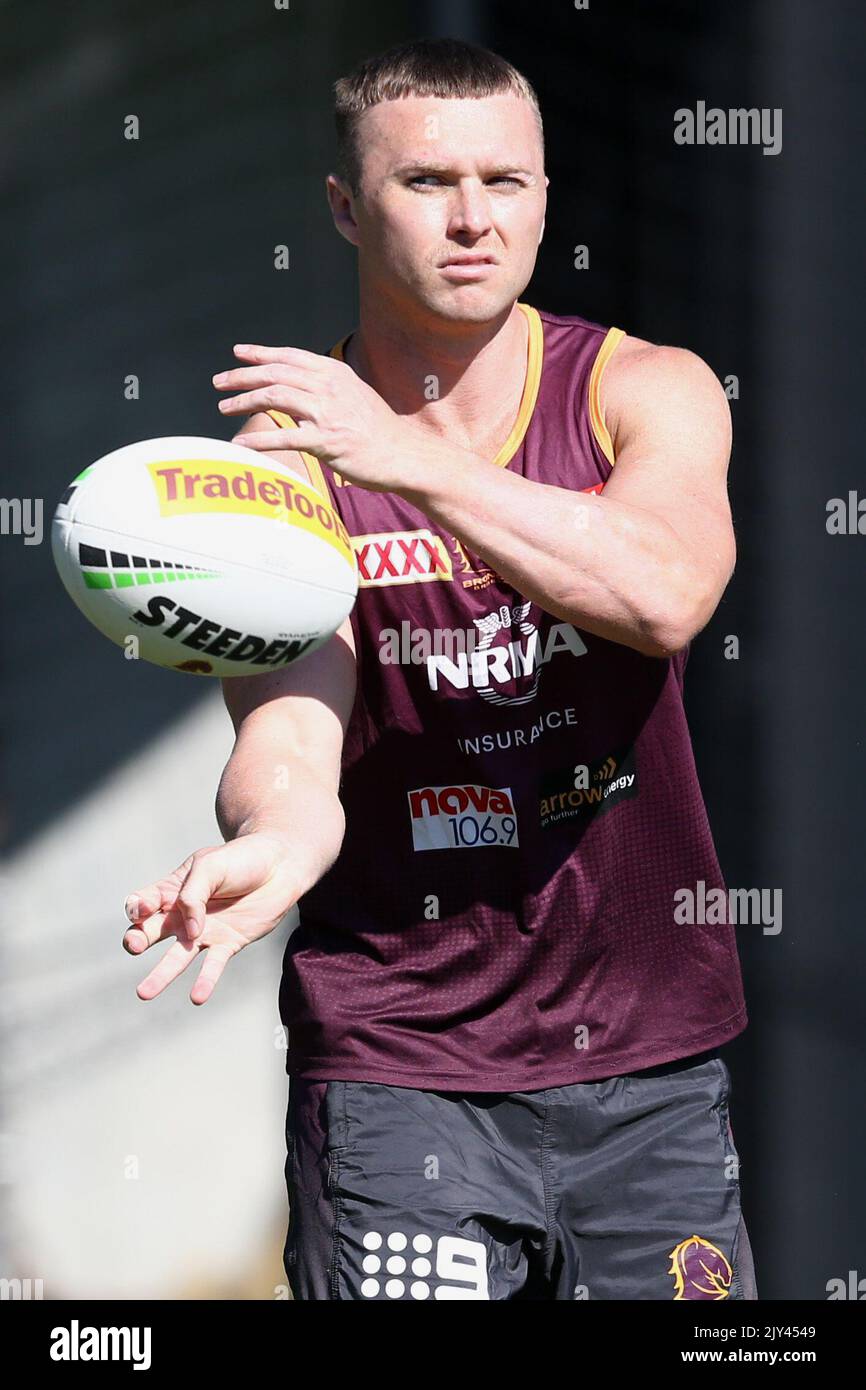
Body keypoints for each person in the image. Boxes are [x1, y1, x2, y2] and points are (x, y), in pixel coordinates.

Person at [122, 37, 756, 1301]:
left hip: (649, 1064)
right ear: (346, 210)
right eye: (425, 184)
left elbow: (665, 593)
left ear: (542, 196)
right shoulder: (288, 465)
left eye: (505, 183)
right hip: (399, 1057)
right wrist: (278, 838)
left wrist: (413, 459)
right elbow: (293, 732)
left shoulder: (646, 388)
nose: (473, 220)